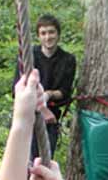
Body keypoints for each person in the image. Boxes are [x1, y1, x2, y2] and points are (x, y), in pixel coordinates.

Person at [31, 14, 76, 154]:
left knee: (45, 163)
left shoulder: (67, 60)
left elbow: (65, 92)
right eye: (43, 33)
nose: (47, 37)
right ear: (38, 36)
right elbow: (19, 89)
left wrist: (48, 95)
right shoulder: (30, 55)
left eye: (51, 32)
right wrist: (42, 109)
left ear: (58, 34)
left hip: (52, 119)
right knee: (26, 163)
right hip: (29, 115)